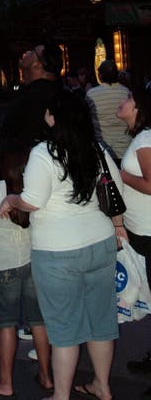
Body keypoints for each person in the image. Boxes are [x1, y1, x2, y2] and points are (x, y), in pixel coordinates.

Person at [0, 91, 124, 400]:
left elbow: (32, 202)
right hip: (100, 242)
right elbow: (116, 189)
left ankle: (62, 396)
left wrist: (11, 199)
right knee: (101, 322)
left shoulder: (44, 152)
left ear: (55, 118)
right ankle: (102, 386)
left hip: (58, 252)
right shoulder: (96, 149)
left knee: (64, 329)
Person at [0, 140, 53, 398]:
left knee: (7, 323)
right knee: (39, 321)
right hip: (35, 262)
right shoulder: (36, 192)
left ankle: (5, 383)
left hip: (4, 265)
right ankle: (46, 375)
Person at [116, 87, 151, 388]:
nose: (122, 102)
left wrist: (120, 174)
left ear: (138, 109)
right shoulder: (141, 138)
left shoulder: (144, 139)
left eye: (128, 99)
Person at [0, 43, 64, 147]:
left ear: (38, 64)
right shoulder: (60, 93)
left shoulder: (31, 99)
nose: (26, 53)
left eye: (31, 52)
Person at [86, 60, 131, 162]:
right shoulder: (126, 92)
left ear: (100, 76)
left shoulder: (91, 94)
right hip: (125, 148)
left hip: (103, 150)